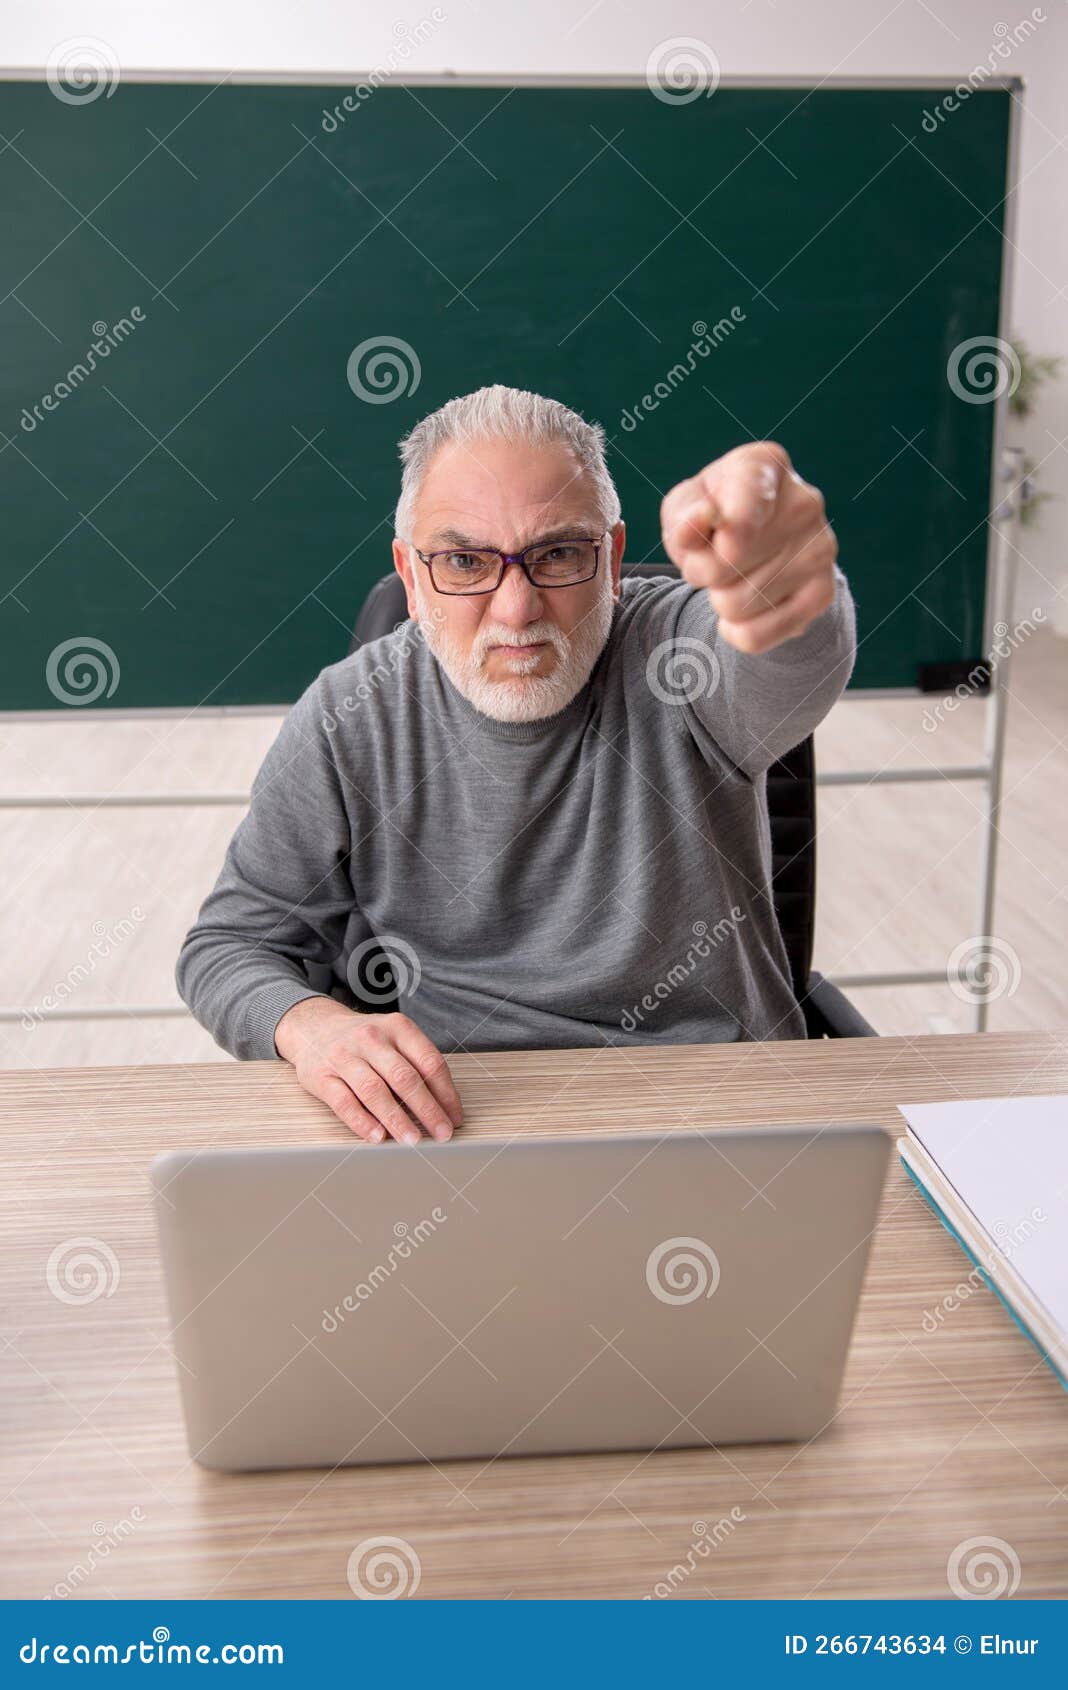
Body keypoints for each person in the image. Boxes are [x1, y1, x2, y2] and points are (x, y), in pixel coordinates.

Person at [176, 384, 854, 1144]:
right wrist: (310, 1028)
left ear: (614, 557)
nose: (516, 610)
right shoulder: (349, 717)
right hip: (466, 1125)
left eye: (558, 553)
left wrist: (789, 577)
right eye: (466, 561)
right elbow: (231, 945)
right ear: (409, 572)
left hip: (725, 1114)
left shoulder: (679, 658)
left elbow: (793, 653)